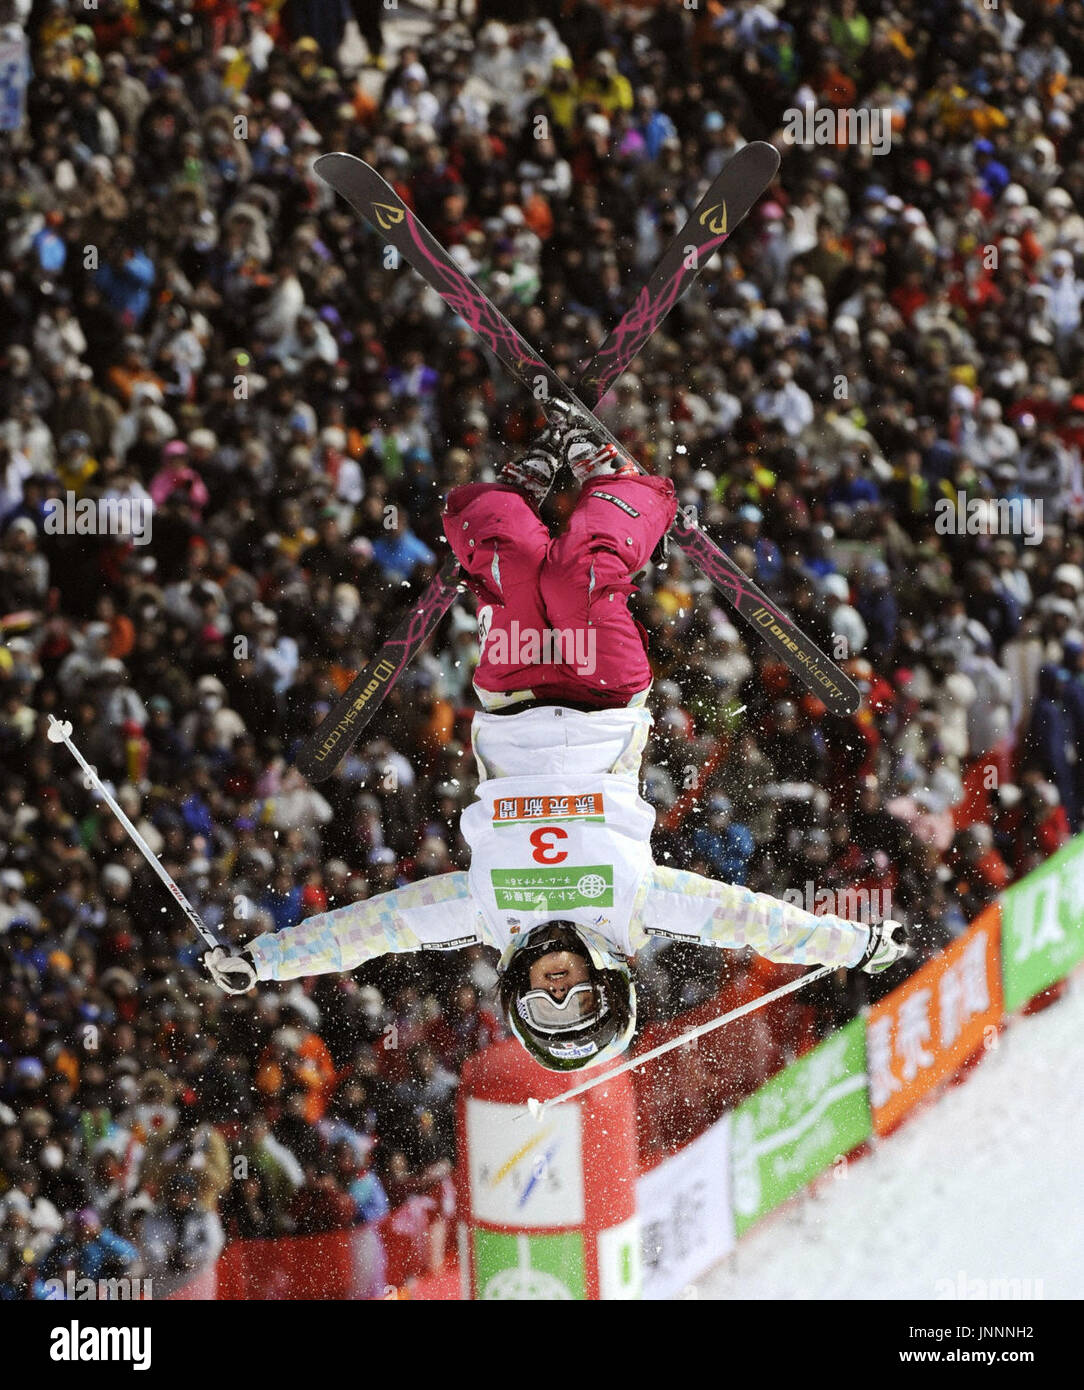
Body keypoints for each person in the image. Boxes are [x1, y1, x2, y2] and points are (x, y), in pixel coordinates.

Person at [205, 415, 908, 1071]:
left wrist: (263, 962)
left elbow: (372, 932)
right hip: (603, 701)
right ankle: (623, 486)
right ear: (610, 985)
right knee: (578, 578)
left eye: (545, 1006)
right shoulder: (637, 909)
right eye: (580, 1001)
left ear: (518, 996)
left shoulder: (483, 912)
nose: (560, 988)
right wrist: (854, 942)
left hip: (513, 700)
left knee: (508, 568)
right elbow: (751, 923)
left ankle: (515, 489)